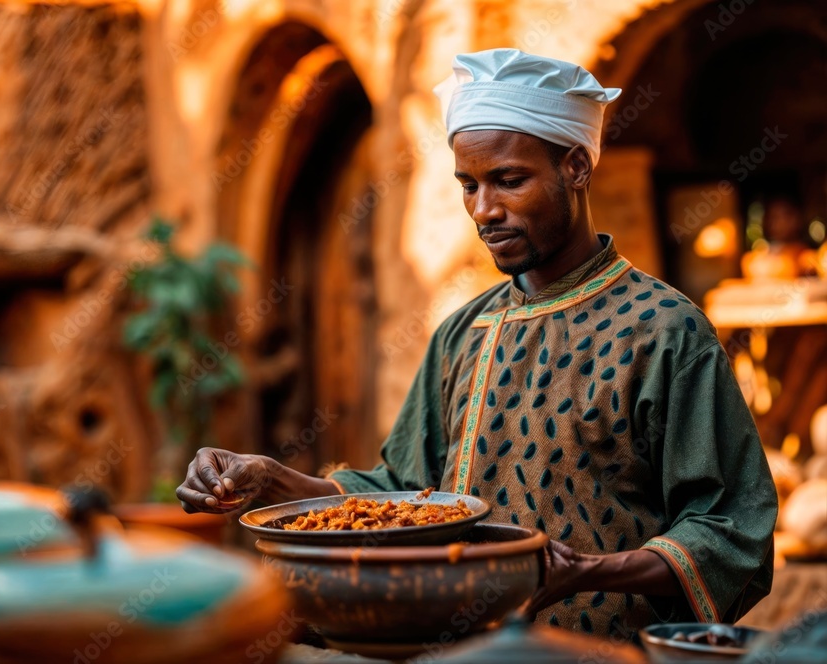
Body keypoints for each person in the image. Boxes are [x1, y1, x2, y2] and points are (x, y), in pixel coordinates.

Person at [178, 49, 777, 639]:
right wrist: (275, 481)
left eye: (508, 180)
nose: (484, 210)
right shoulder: (465, 334)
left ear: (576, 167)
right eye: (468, 185)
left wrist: (585, 572)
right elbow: (401, 495)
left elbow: (731, 533)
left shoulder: (665, 331)